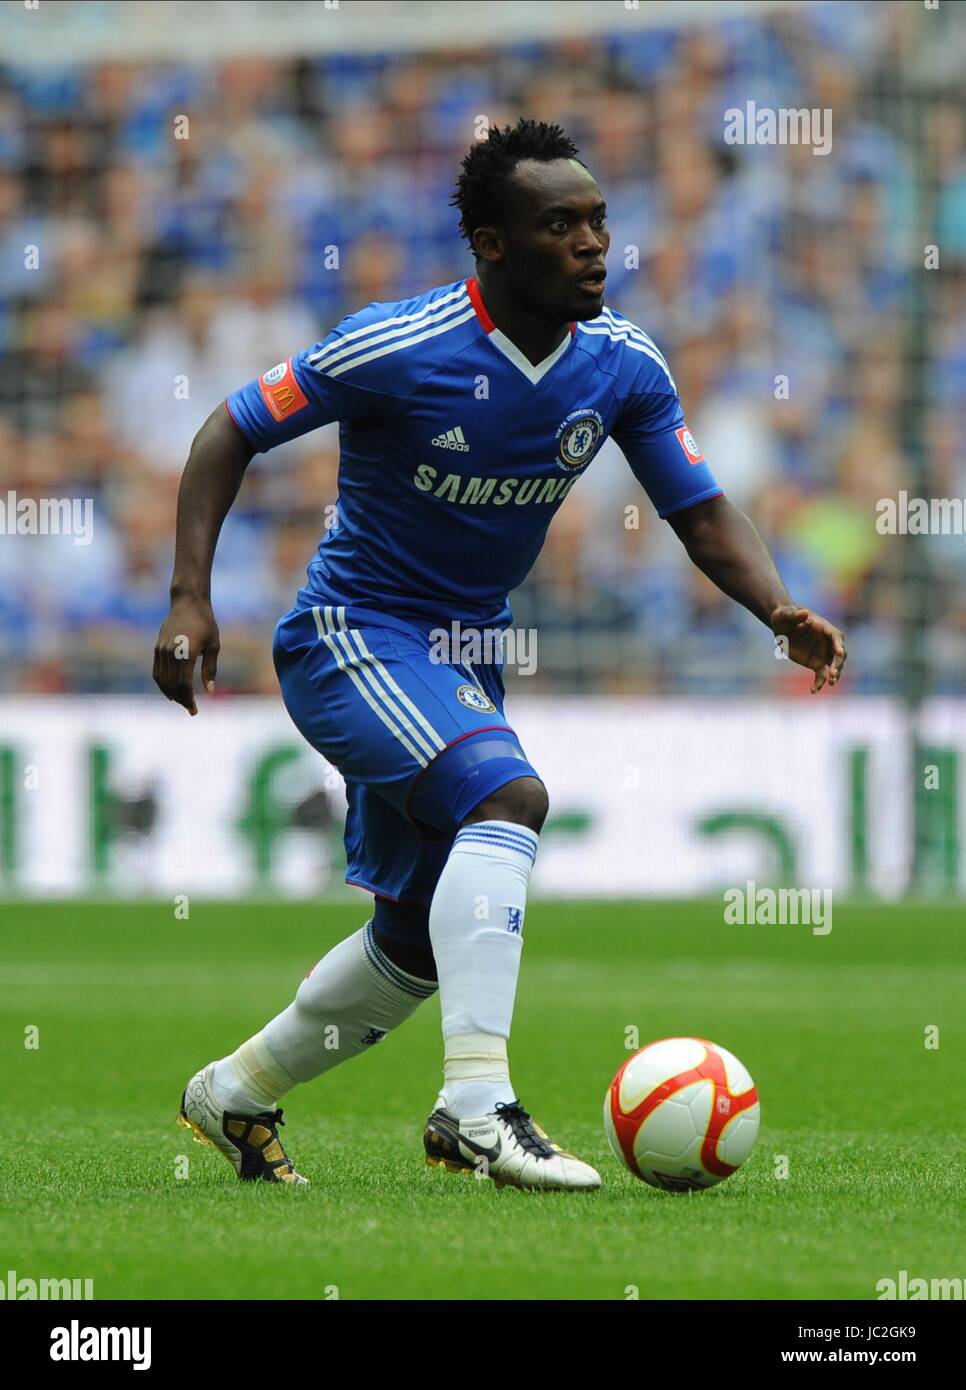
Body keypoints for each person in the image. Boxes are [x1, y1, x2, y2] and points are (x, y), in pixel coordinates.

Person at [154, 118, 846, 1191]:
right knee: (508, 798)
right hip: (351, 634)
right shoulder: (398, 345)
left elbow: (700, 511)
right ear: (492, 244)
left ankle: (234, 1093)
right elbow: (229, 429)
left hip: (461, 659)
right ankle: (476, 1106)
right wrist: (191, 595)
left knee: (418, 944)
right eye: (559, 225)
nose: (592, 245)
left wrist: (778, 608)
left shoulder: (620, 364)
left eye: (599, 221)